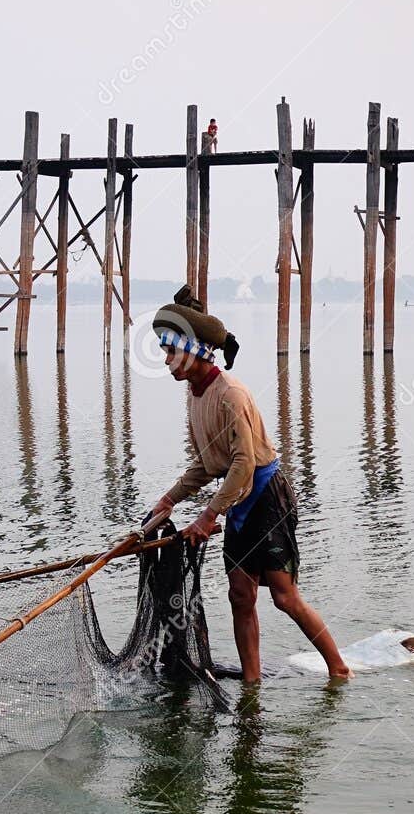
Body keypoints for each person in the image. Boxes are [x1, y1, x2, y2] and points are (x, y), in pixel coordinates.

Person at [148, 286, 350, 683]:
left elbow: (243, 464)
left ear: (197, 351)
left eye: (172, 352)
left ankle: (338, 669)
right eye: (164, 353)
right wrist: (168, 500)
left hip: (267, 495)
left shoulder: (232, 395)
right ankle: (252, 683)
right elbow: (209, 465)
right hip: (237, 501)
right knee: (240, 596)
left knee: (283, 596)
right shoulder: (194, 396)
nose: (168, 361)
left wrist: (208, 516)